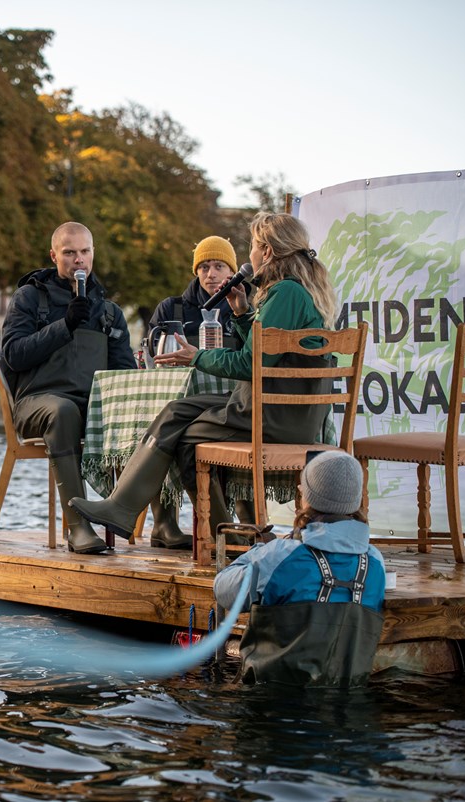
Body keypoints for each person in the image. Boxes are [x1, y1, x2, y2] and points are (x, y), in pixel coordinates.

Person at [72, 212, 340, 541]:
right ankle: (125, 506)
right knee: (175, 410)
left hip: (275, 414)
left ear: (267, 251)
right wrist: (242, 314)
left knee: (187, 440)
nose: (250, 255)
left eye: (253, 247)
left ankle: (219, 532)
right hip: (282, 409)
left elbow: (249, 364)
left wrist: (196, 356)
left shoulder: (284, 292)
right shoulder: (297, 290)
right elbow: (262, 352)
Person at [0, 221, 135, 554]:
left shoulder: (109, 312)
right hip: (37, 404)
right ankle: (78, 527)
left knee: (154, 416)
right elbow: (13, 355)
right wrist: (65, 325)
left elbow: (124, 373)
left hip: (91, 408)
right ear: (53, 255)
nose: (79, 260)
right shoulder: (30, 298)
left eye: (85, 252)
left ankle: (161, 524)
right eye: (69, 253)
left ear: (93, 254)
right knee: (64, 411)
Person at [214, 451, 386, 686]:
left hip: (272, 708)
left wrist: (261, 551)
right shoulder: (375, 562)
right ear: (355, 501)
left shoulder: (280, 555)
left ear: (307, 499)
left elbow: (223, 589)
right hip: (345, 709)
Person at [143, 236, 244, 549]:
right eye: (203, 266)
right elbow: (148, 354)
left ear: (232, 270)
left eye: (218, 266)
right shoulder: (171, 308)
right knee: (158, 417)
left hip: (228, 401)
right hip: (179, 397)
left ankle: (242, 517)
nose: (210, 273)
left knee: (185, 429)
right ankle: (164, 522)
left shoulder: (242, 307)